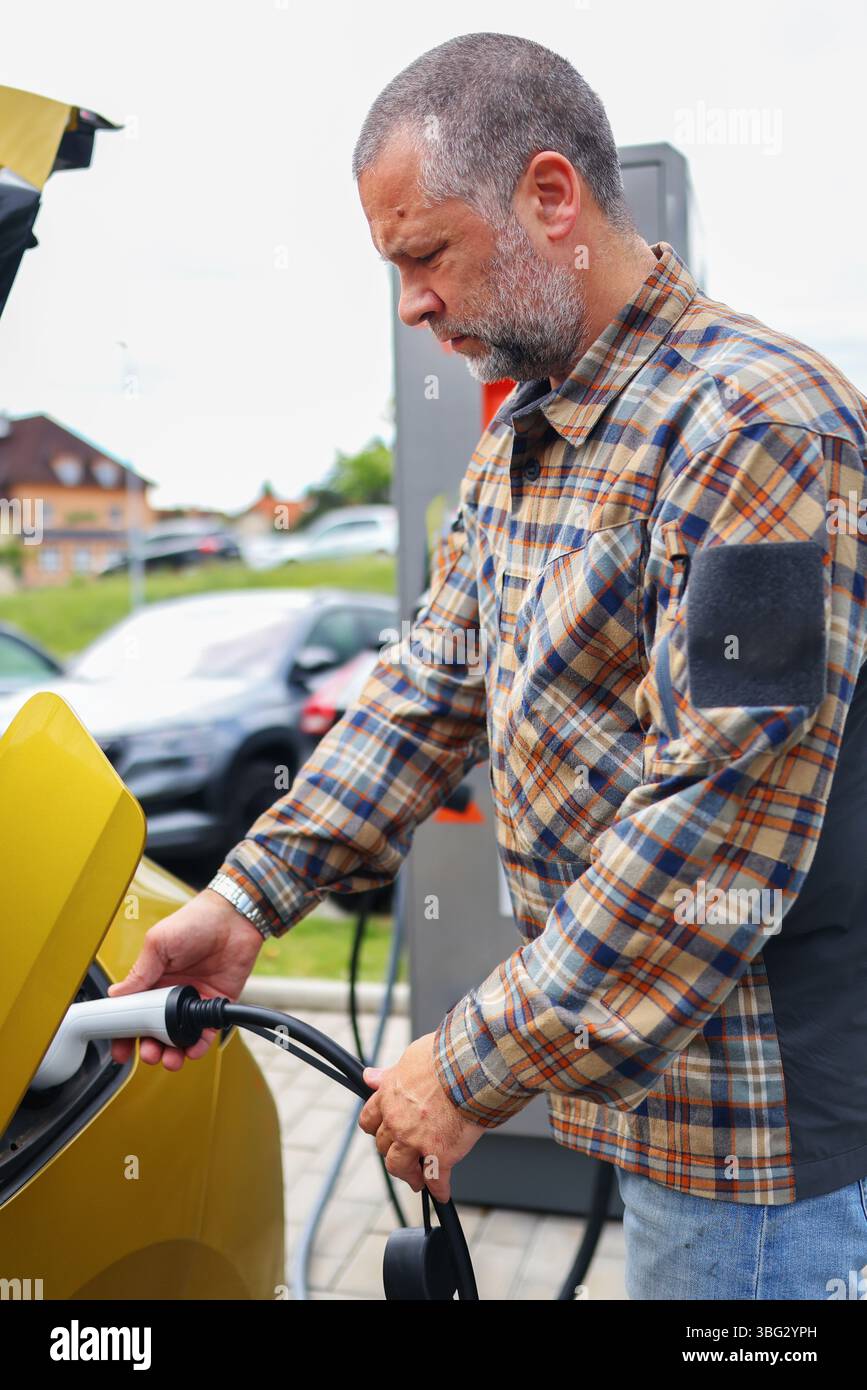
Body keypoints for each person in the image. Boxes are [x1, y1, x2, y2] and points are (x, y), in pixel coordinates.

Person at [109, 33, 867, 1300]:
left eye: (425, 255)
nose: (412, 303)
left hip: (758, 1147)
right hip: (644, 1099)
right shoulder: (525, 436)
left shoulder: (756, 425)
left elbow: (717, 816)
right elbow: (424, 691)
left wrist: (466, 1065)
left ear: (551, 197)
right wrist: (246, 899)